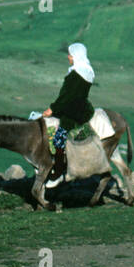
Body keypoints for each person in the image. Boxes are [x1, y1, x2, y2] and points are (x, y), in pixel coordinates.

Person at [43, 42, 96, 181]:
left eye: (70, 55)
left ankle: (59, 170)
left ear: (76, 56)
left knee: (59, 138)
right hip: (81, 106)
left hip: (74, 110)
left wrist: (52, 109)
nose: (68, 57)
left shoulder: (76, 74)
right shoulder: (86, 70)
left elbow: (67, 96)